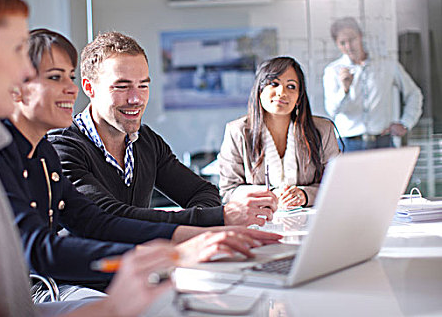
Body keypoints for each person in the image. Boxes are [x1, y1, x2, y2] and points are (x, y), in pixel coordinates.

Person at [0, 0, 275, 317]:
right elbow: (34, 251)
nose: (24, 72)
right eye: (16, 51)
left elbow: (93, 221)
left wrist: (182, 244)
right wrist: (172, 253)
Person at [0, 28, 282, 294]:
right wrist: (187, 241)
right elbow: (62, 242)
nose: (69, 89)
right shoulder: (41, 148)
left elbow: (97, 223)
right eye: (54, 77)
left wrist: (197, 236)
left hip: (117, 278)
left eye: (68, 77)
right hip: (63, 290)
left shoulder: (44, 153)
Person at [48, 31, 277, 227]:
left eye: (143, 85)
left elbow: (203, 193)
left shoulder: (146, 141)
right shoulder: (62, 148)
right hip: (87, 277)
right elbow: (109, 219)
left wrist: (207, 220)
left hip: (144, 266)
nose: (136, 98)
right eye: (122, 86)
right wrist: (219, 217)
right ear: (89, 88)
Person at [219, 57, 340, 209]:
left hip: (309, 221)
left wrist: (305, 195)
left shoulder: (323, 130)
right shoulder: (237, 132)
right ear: (260, 91)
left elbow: (337, 184)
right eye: (274, 84)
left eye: (291, 86)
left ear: (299, 98)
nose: (282, 92)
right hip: (258, 221)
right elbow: (228, 190)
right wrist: (273, 195)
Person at [323, 17, 423, 152]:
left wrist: (406, 123)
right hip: (349, 144)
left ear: (360, 36)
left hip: (383, 141)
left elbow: (413, 93)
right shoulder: (333, 71)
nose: (349, 46)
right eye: (342, 43)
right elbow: (332, 110)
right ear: (337, 44)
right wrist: (345, 90)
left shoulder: (386, 64)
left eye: (352, 39)